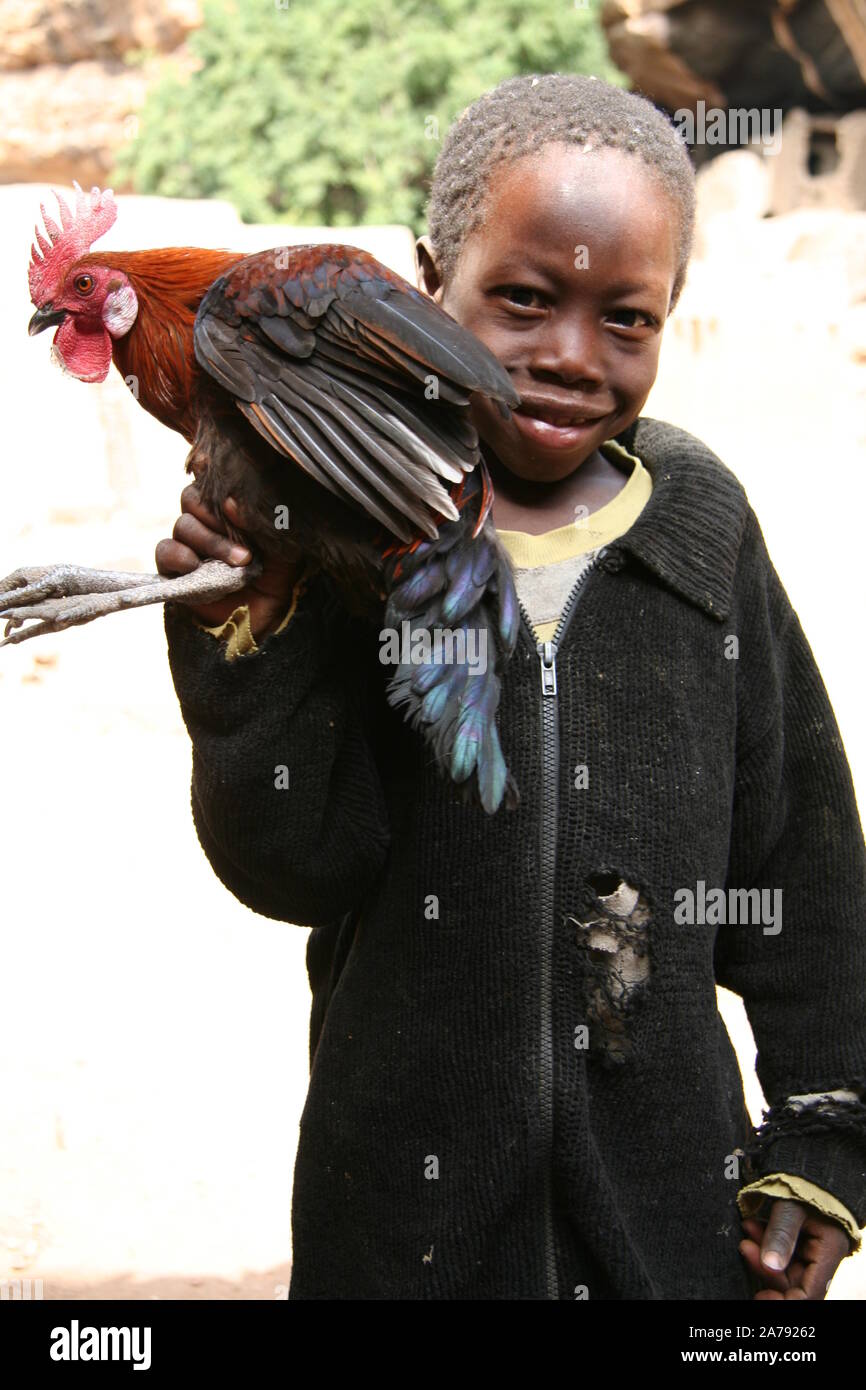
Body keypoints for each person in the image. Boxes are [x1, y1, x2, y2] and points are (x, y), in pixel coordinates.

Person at [155, 73, 866, 1299]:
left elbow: (798, 869)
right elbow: (291, 866)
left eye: (625, 319)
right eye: (522, 301)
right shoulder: (333, 536)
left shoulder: (700, 535)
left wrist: (822, 1137)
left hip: (668, 1229)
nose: (569, 359)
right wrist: (244, 644)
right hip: (399, 1221)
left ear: (673, 313)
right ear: (427, 280)